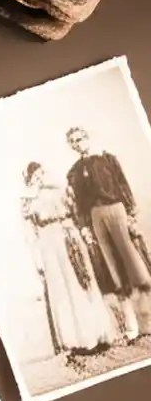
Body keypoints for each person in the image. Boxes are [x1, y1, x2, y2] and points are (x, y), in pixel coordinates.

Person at [21, 162, 118, 353]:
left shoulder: (60, 191)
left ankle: (98, 332)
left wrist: (81, 232)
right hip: (50, 241)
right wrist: (37, 259)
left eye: (41, 173)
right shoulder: (28, 201)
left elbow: (75, 213)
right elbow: (30, 232)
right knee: (64, 287)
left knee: (83, 282)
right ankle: (77, 339)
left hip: (70, 235)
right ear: (30, 179)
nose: (40, 178)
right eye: (35, 176)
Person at [65, 126, 148, 340]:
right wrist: (84, 227)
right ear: (71, 146)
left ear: (88, 137)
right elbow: (79, 205)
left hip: (117, 211)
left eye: (80, 138)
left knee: (135, 264)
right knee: (113, 270)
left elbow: (122, 185)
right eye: (73, 141)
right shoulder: (73, 172)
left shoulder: (108, 159)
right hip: (95, 217)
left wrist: (130, 214)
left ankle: (148, 317)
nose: (78, 143)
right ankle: (131, 325)